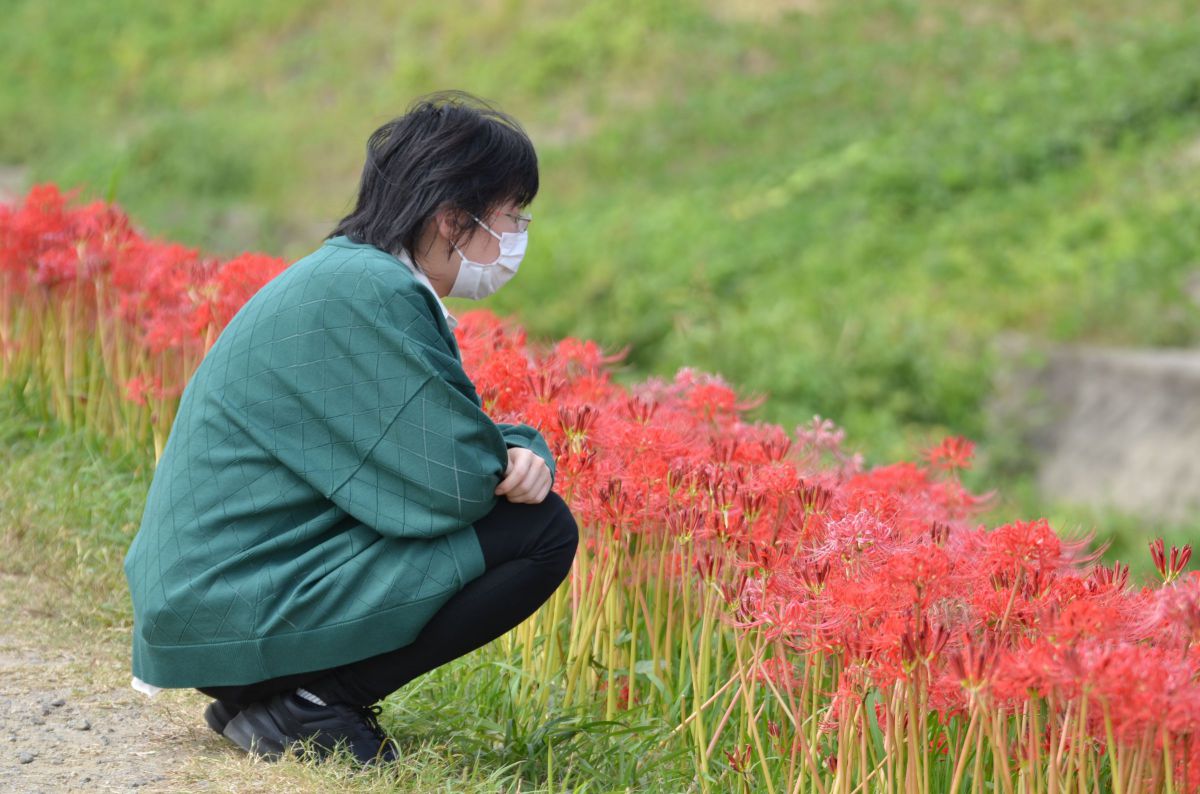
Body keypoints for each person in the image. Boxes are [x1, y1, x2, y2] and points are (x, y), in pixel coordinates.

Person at [122, 90, 578, 766]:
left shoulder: (347, 277)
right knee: (540, 531)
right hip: (227, 612)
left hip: (209, 608)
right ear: (454, 221)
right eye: (511, 216)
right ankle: (310, 707)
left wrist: (510, 449)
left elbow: (433, 448)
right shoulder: (374, 292)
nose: (515, 237)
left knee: (505, 509)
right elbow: (455, 478)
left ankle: (277, 699)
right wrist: (521, 449)